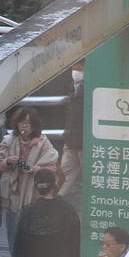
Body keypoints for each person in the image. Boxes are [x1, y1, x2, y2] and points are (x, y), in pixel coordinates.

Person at [0, 107, 59, 257]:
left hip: (33, 196)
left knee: (32, 232)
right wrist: (8, 161)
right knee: (13, 232)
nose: (25, 126)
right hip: (12, 195)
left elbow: (52, 168)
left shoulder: (43, 143)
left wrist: (35, 169)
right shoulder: (9, 140)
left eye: (29, 122)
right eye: (22, 121)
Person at [14, 169, 81, 257]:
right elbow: (76, 243)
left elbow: (21, 248)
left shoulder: (29, 213)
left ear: (36, 186)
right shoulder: (67, 210)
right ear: (54, 184)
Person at [59, 60, 85, 212]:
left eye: (79, 66)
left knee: (88, 182)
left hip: (83, 143)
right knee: (63, 178)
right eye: (73, 66)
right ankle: (54, 206)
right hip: (70, 141)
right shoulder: (72, 85)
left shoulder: (90, 85)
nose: (75, 69)